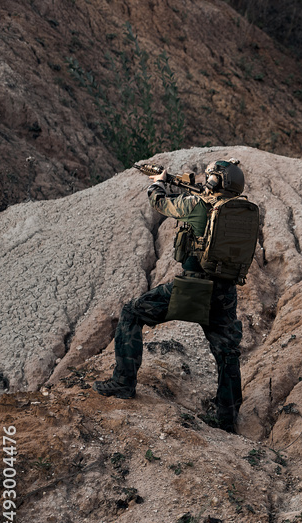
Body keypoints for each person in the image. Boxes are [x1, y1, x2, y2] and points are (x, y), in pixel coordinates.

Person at [93, 159, 246, 434]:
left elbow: (160, 202)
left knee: (131, 313)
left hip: (194, 288)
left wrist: (158, 183)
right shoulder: (238, 210)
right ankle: (228, 417)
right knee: (227, 353)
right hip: (225, 292)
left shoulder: (197, 205)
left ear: (214, 181)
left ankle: (123, 383)